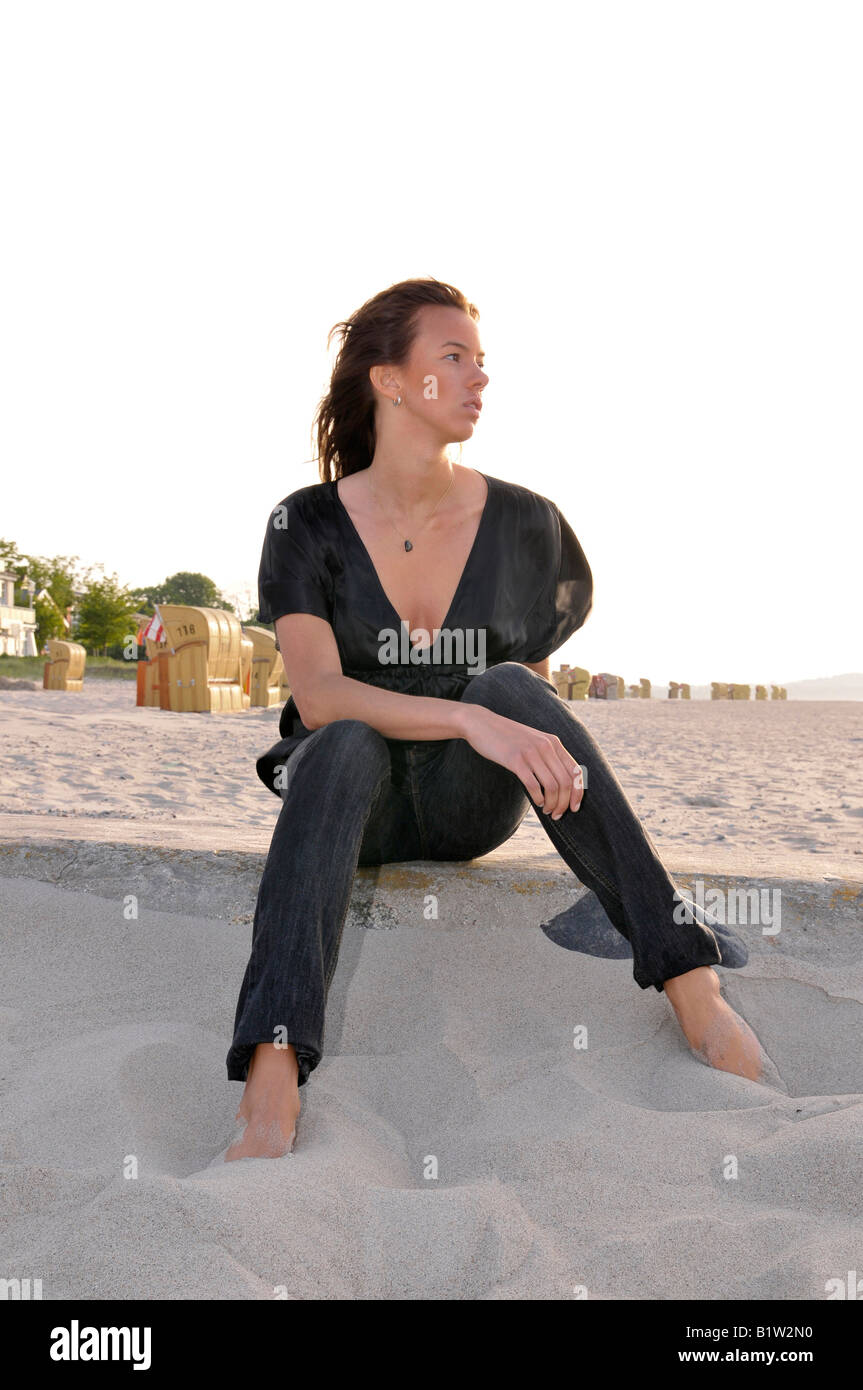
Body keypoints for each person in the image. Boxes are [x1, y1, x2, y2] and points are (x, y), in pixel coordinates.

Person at [224, 278, 762, 1161]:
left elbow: (534, 707)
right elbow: (317, 694)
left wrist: (491, 719)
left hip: (469, 808)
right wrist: (471, 724)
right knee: (342, 736)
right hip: (352, 805)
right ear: (389, 381)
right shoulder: (306, 523)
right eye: (452, 358)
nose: (478, 379)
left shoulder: (525, 524)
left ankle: (691, 985)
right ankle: (271, 1074)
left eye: (481, 362)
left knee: (508, 685)